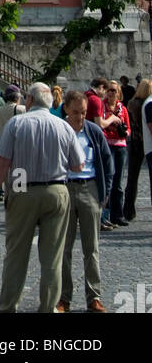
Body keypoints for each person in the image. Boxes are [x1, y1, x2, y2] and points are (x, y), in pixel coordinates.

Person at [0, 82, 85, 314]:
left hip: (22, 186)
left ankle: (8, 307)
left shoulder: (17, 124)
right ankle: (48, 308)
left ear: (29, 100)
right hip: (57, 189)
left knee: (16, 254)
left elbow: (2, 162)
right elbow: (78, 165)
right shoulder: (63, 126)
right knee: (53, 258)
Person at [56, 90, 113, 314]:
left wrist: (105, 190)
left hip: (90, 187)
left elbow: (107, 162)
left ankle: (94, 297)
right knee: (64, 247)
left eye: (84, 112)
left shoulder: (93, 131)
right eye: (76, 112)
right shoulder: (59, 130)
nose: (80, 116)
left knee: (92, 248)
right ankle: (64, 298)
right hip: (66, 188)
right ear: (67, 109)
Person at [100, 79, 130, 227]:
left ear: (119, 93)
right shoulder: (102, 107)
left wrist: (124, 132)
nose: (111, 93)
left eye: (114, 90)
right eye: (109, 90)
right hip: (107, 145)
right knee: (108, 180)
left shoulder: (122, 109)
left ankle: (118, 215)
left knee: (118, 182)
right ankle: (106, 214)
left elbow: (129, 128)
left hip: (120, 145)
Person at [124, 77, 152, 221]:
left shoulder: (132, 103)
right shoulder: (146, 105)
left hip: (134, 141)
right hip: (143, 141)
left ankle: (128, 209)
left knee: (132, 178)